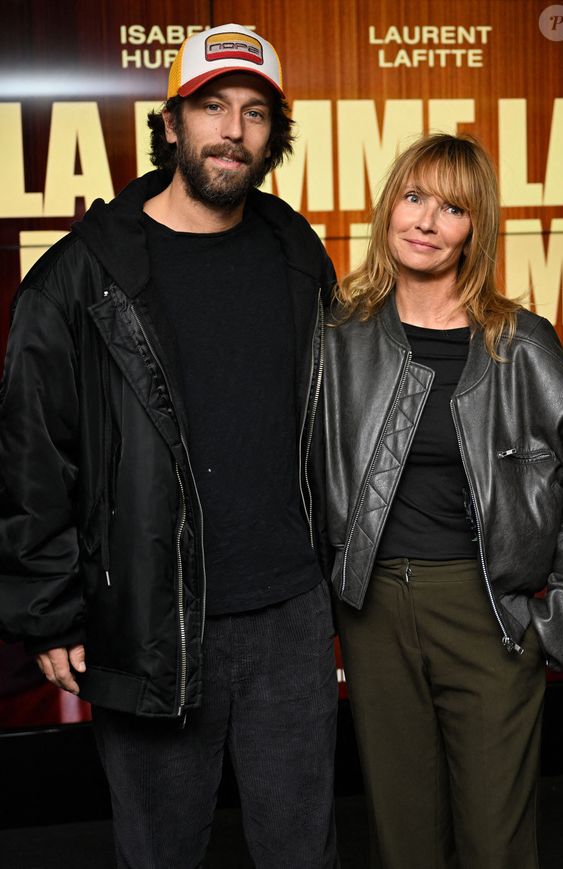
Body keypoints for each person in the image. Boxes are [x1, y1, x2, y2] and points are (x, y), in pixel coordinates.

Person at [0, 23, 338, 869]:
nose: (234, 130)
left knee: (304, 849)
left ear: (274, 133)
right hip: (147, 618)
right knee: (159, 853)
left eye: (256, 113)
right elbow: (35, 450)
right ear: (172, 122)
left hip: (291, 616)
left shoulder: (295, 250)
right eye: (213, 107)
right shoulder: (81, 274)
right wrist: (50, 611)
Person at [323, 133, 563, 869]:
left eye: (453, 207)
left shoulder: (522, 345)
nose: (427, 221)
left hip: (489, 612)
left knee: (497, 842)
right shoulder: (339, 334)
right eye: (414, 197)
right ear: (389, 208)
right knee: (403, 840)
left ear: (477, 227)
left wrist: (560, 617)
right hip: (372, 613)